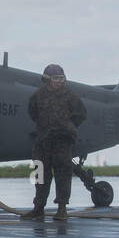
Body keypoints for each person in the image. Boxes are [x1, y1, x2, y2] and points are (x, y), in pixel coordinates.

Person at [25, 63, 86, 220]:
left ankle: (62, 209)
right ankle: (38, 207)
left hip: (62, 141)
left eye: (61, 78)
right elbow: (33, 113)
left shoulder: (71, 97)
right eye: (55, 78)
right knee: (39, 174)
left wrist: (67, 126)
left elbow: (81, 114)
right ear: (47, 79)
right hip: (43, 141)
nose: (58, 82)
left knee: (63, 174)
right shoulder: (38, 96)